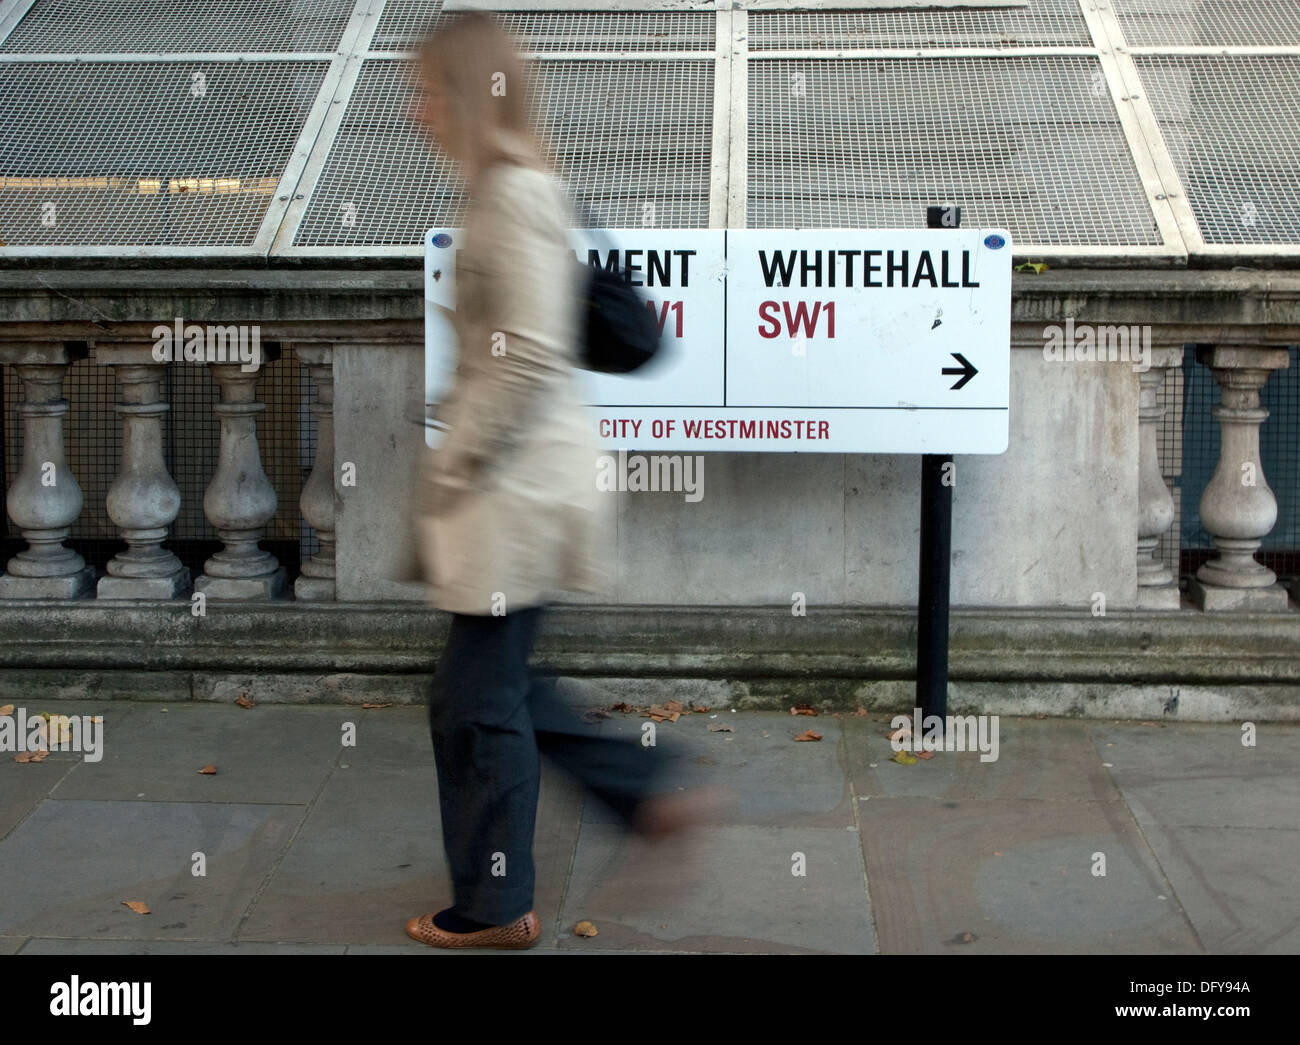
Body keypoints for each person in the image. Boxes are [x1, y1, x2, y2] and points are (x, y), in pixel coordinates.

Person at [406, 12, 723, 951]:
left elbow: (527, 357)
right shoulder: (510, 190)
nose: (417, 111)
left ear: (470, 94)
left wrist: (452, 464)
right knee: (492, 689)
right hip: (522, 481)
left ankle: (498, 905)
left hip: (515, 489)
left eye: (429, 91)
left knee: (475, 700)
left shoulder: (512, 195)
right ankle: (647, 794)